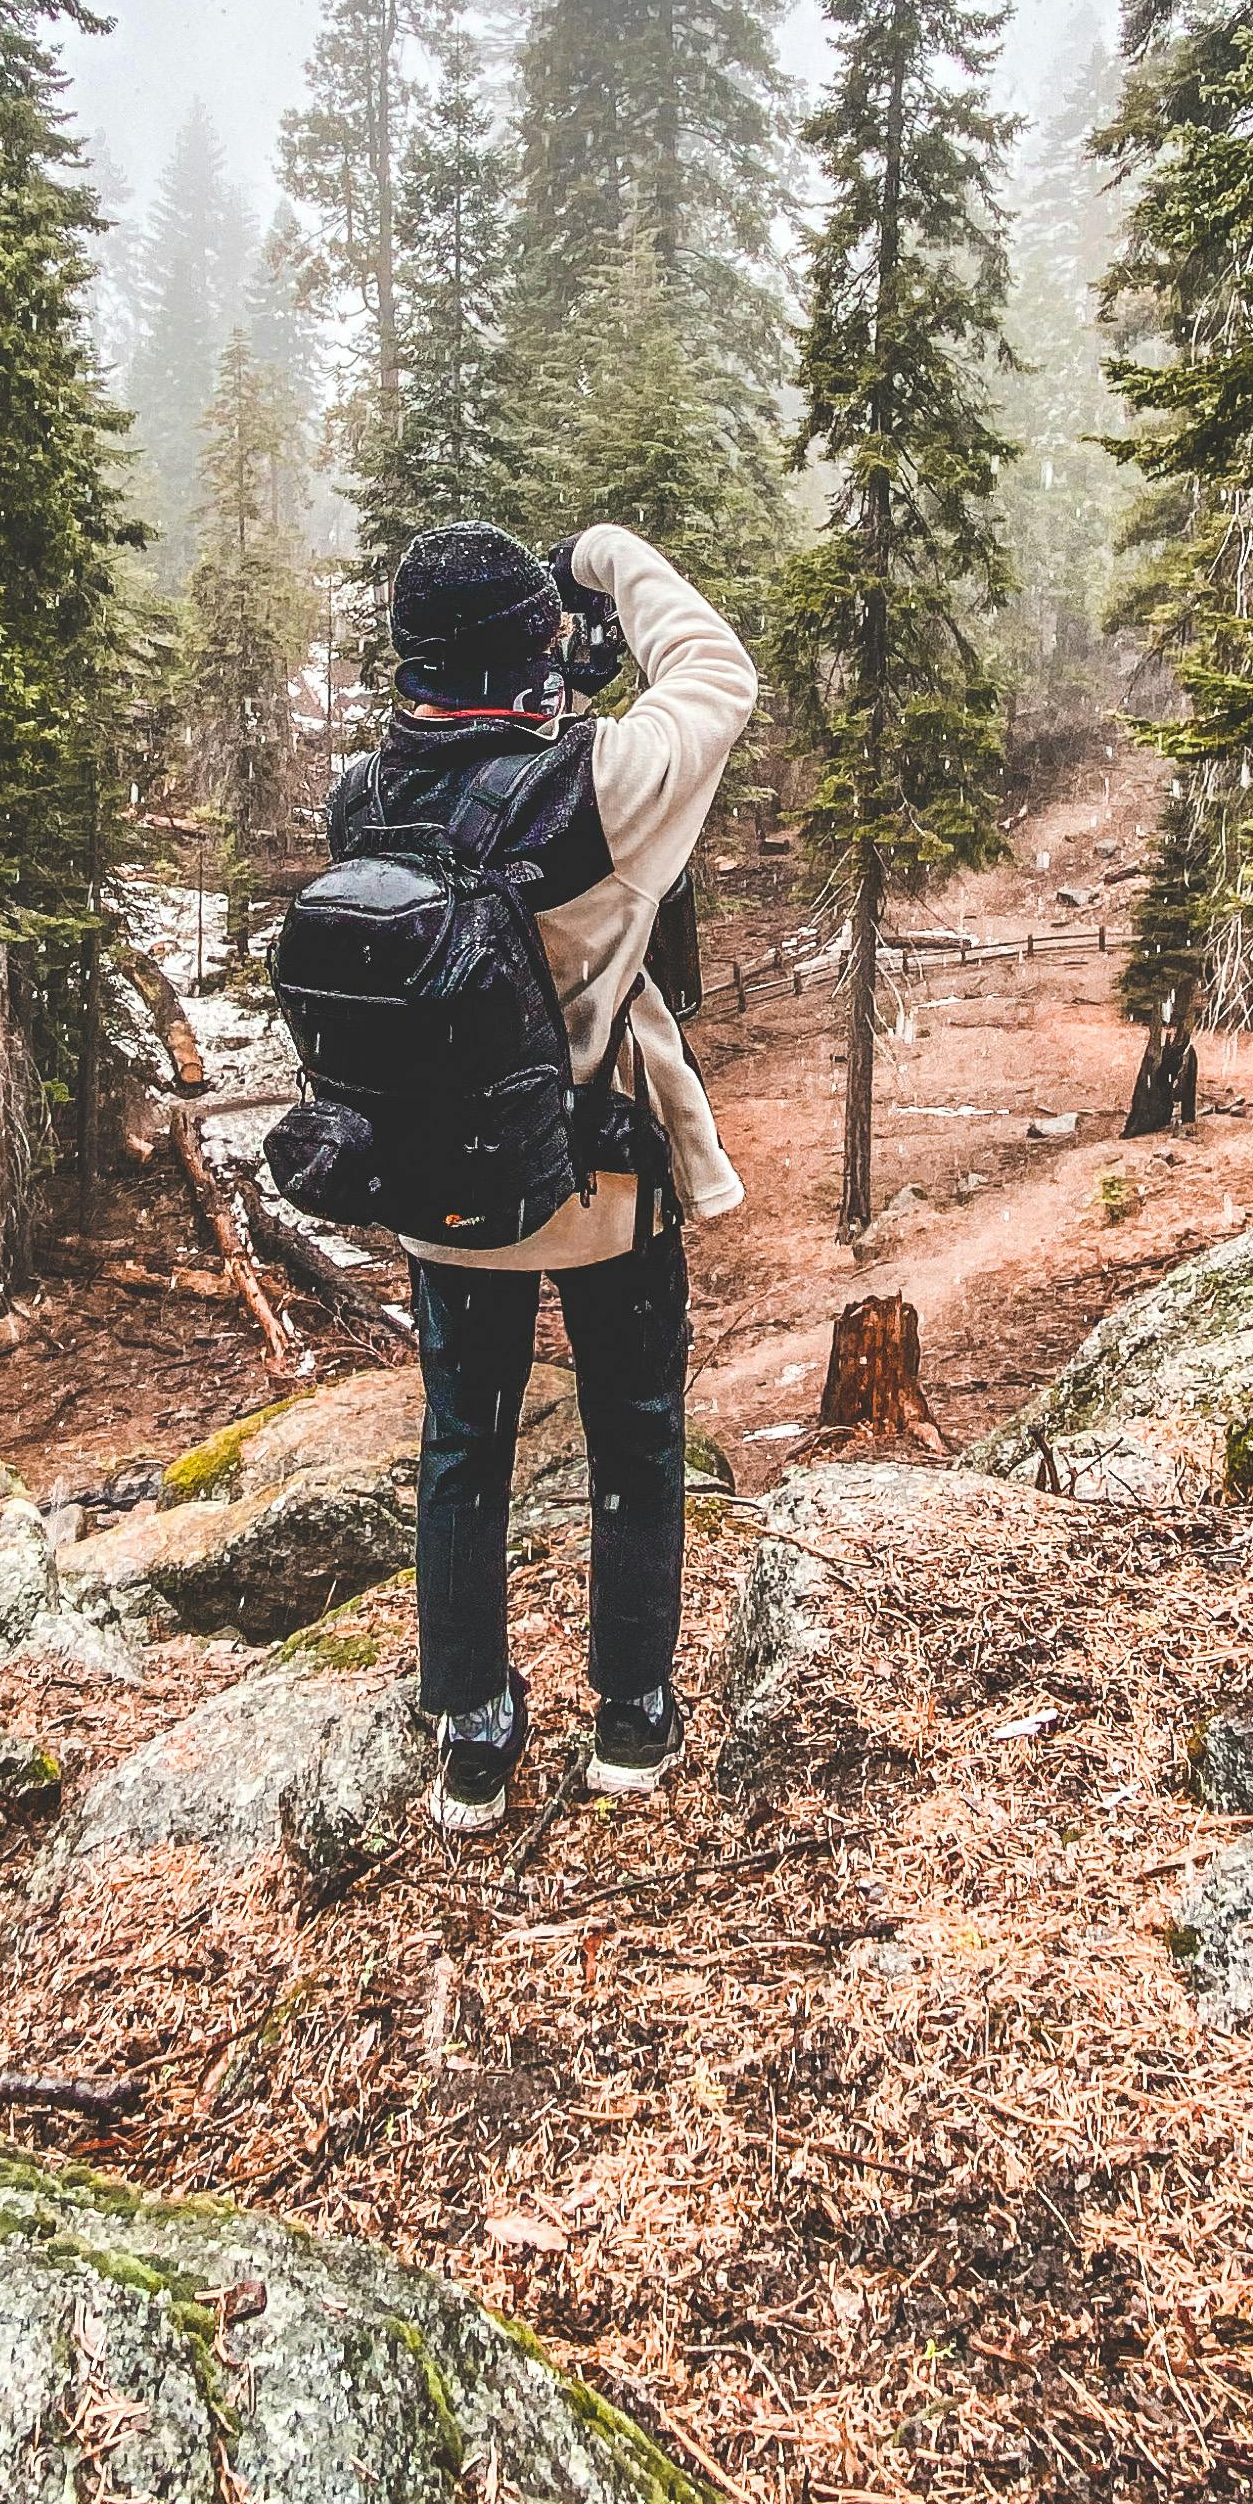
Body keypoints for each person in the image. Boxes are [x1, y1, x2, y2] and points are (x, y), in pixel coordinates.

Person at [333, 518, 755, 1835]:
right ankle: (630, 1719)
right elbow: (717, 672)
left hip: (442, 1196)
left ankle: (471, 1735)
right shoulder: (605, 787)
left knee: (465, 1449)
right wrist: (607, 554)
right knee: (635, 1441)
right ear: (540, 648)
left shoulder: (361, 797)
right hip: (598, 1195)